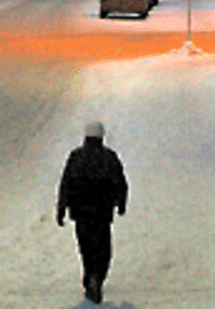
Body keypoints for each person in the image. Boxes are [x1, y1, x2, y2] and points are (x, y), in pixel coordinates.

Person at [56, 121, 128, 305]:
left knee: (86, 249)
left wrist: (62, 209)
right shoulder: (109, 157)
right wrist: (121, 204)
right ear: (101, 137)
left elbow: (66, 184)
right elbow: (120, 182)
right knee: (103, 250)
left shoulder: (76, 157)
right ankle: (97, 277)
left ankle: (90, 279)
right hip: (102, 213)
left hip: (80, 213)